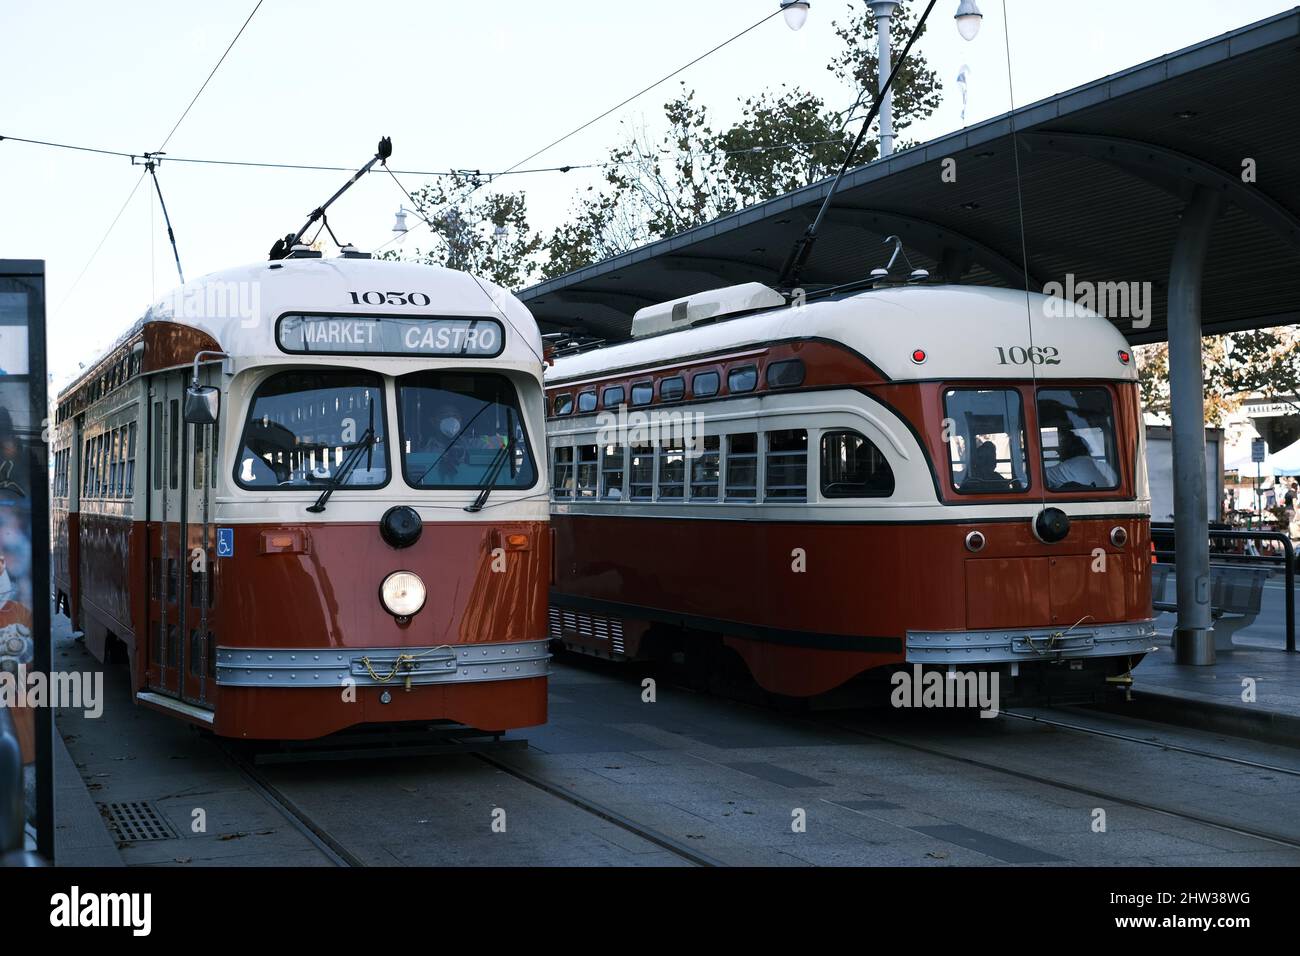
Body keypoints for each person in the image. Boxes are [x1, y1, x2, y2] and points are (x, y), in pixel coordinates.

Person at [1046, 430, 1111, 489]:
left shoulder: (1064, 468)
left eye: (1060, 451)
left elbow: (1040, 477)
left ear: (1066, 451)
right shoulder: (1105, 467)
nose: (1058, 453)